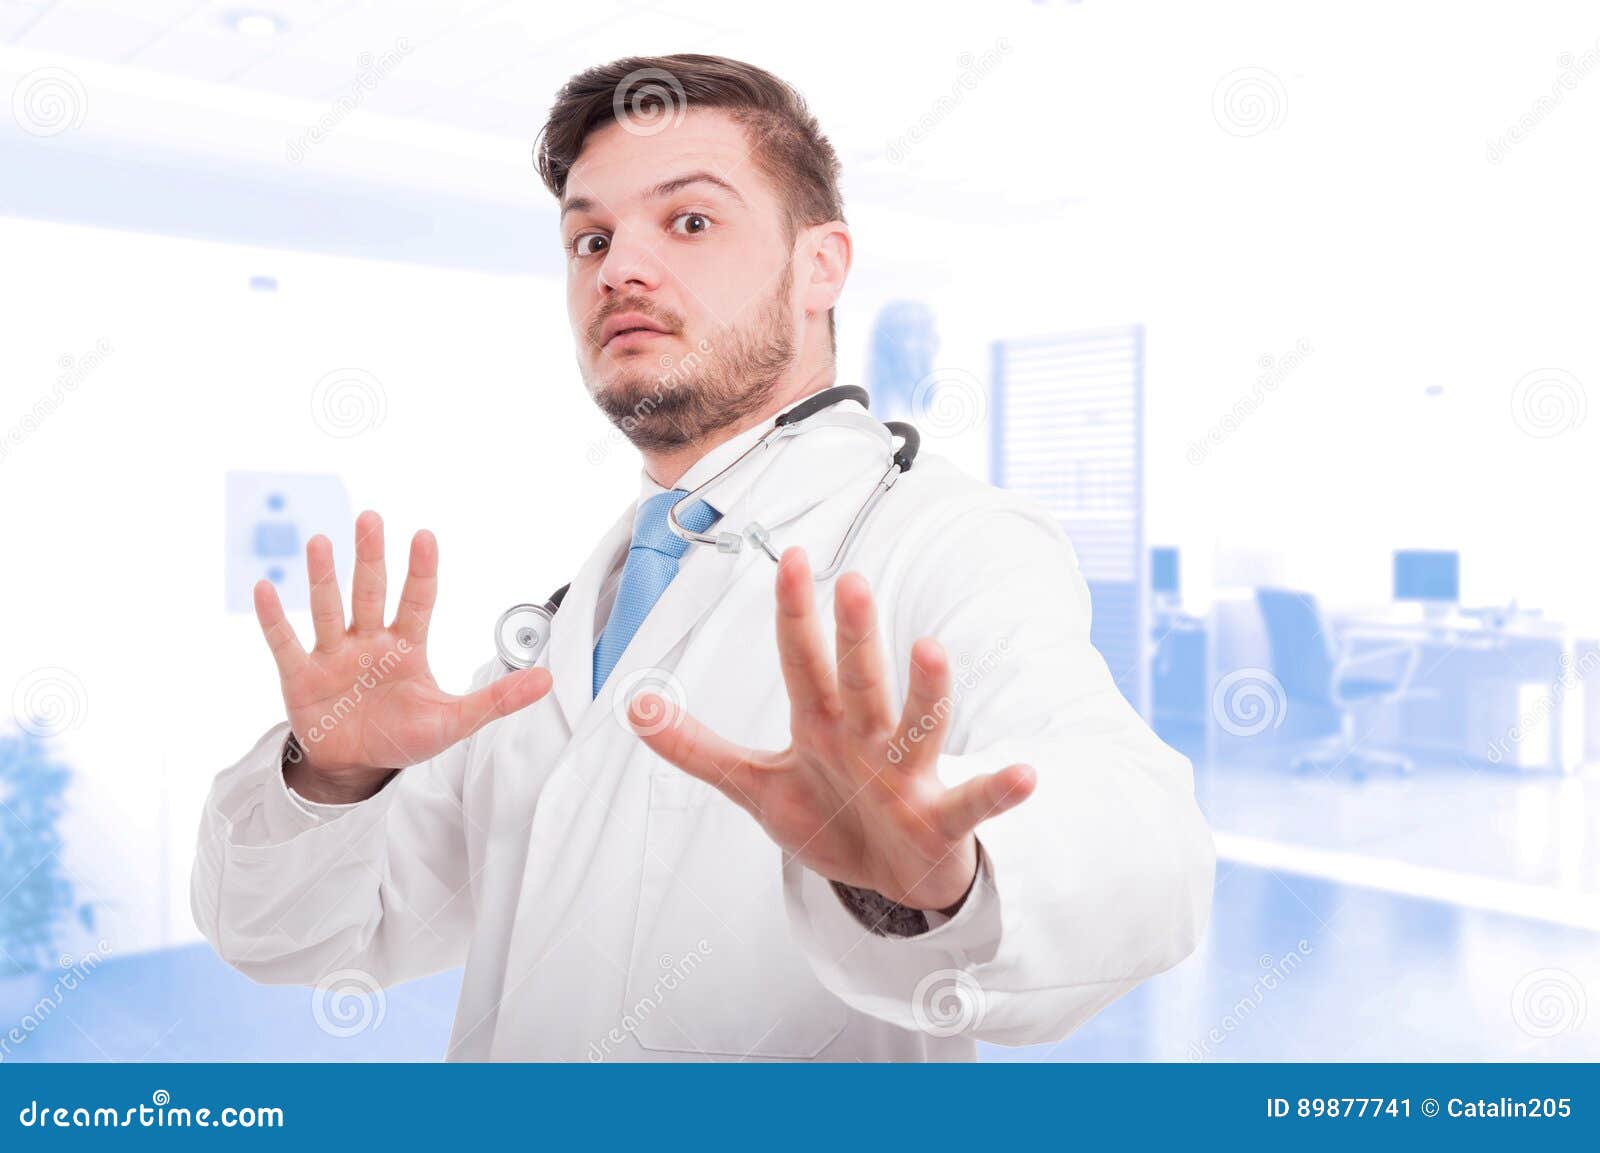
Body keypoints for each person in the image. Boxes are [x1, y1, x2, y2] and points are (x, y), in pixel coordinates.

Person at [191, 53, 1214, 1061]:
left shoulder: (944, 543)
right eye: (589, 237)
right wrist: (332, 774)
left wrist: (933, 881)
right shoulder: (569, 621)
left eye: (688, 221)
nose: (620, 269)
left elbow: (1148, 855)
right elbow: (307, 939)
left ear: (820, 265)